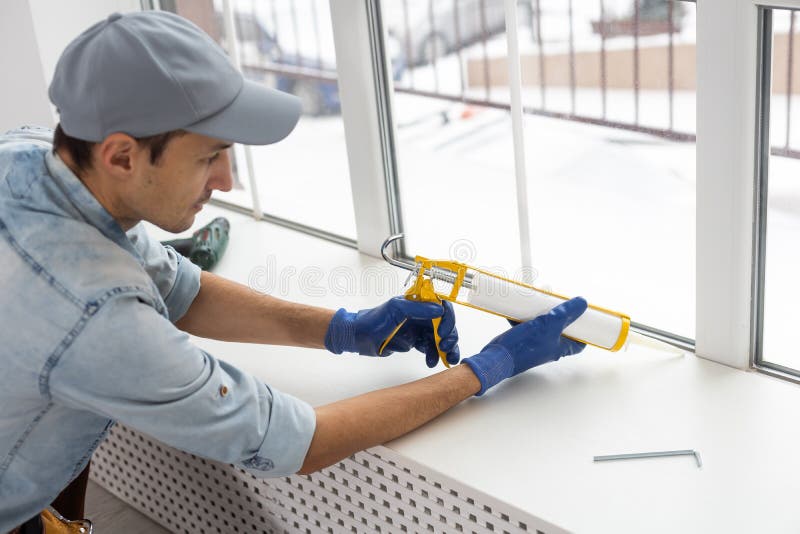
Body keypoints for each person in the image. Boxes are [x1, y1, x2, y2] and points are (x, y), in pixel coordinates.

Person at [0, 11, 587, 533]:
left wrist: (346, 328)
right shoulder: (95, 315)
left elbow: (180, 289)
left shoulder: (32, 157)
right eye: (209, 156)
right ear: (122, 156)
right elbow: (301, 443)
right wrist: (490, 367)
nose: (227, 181)